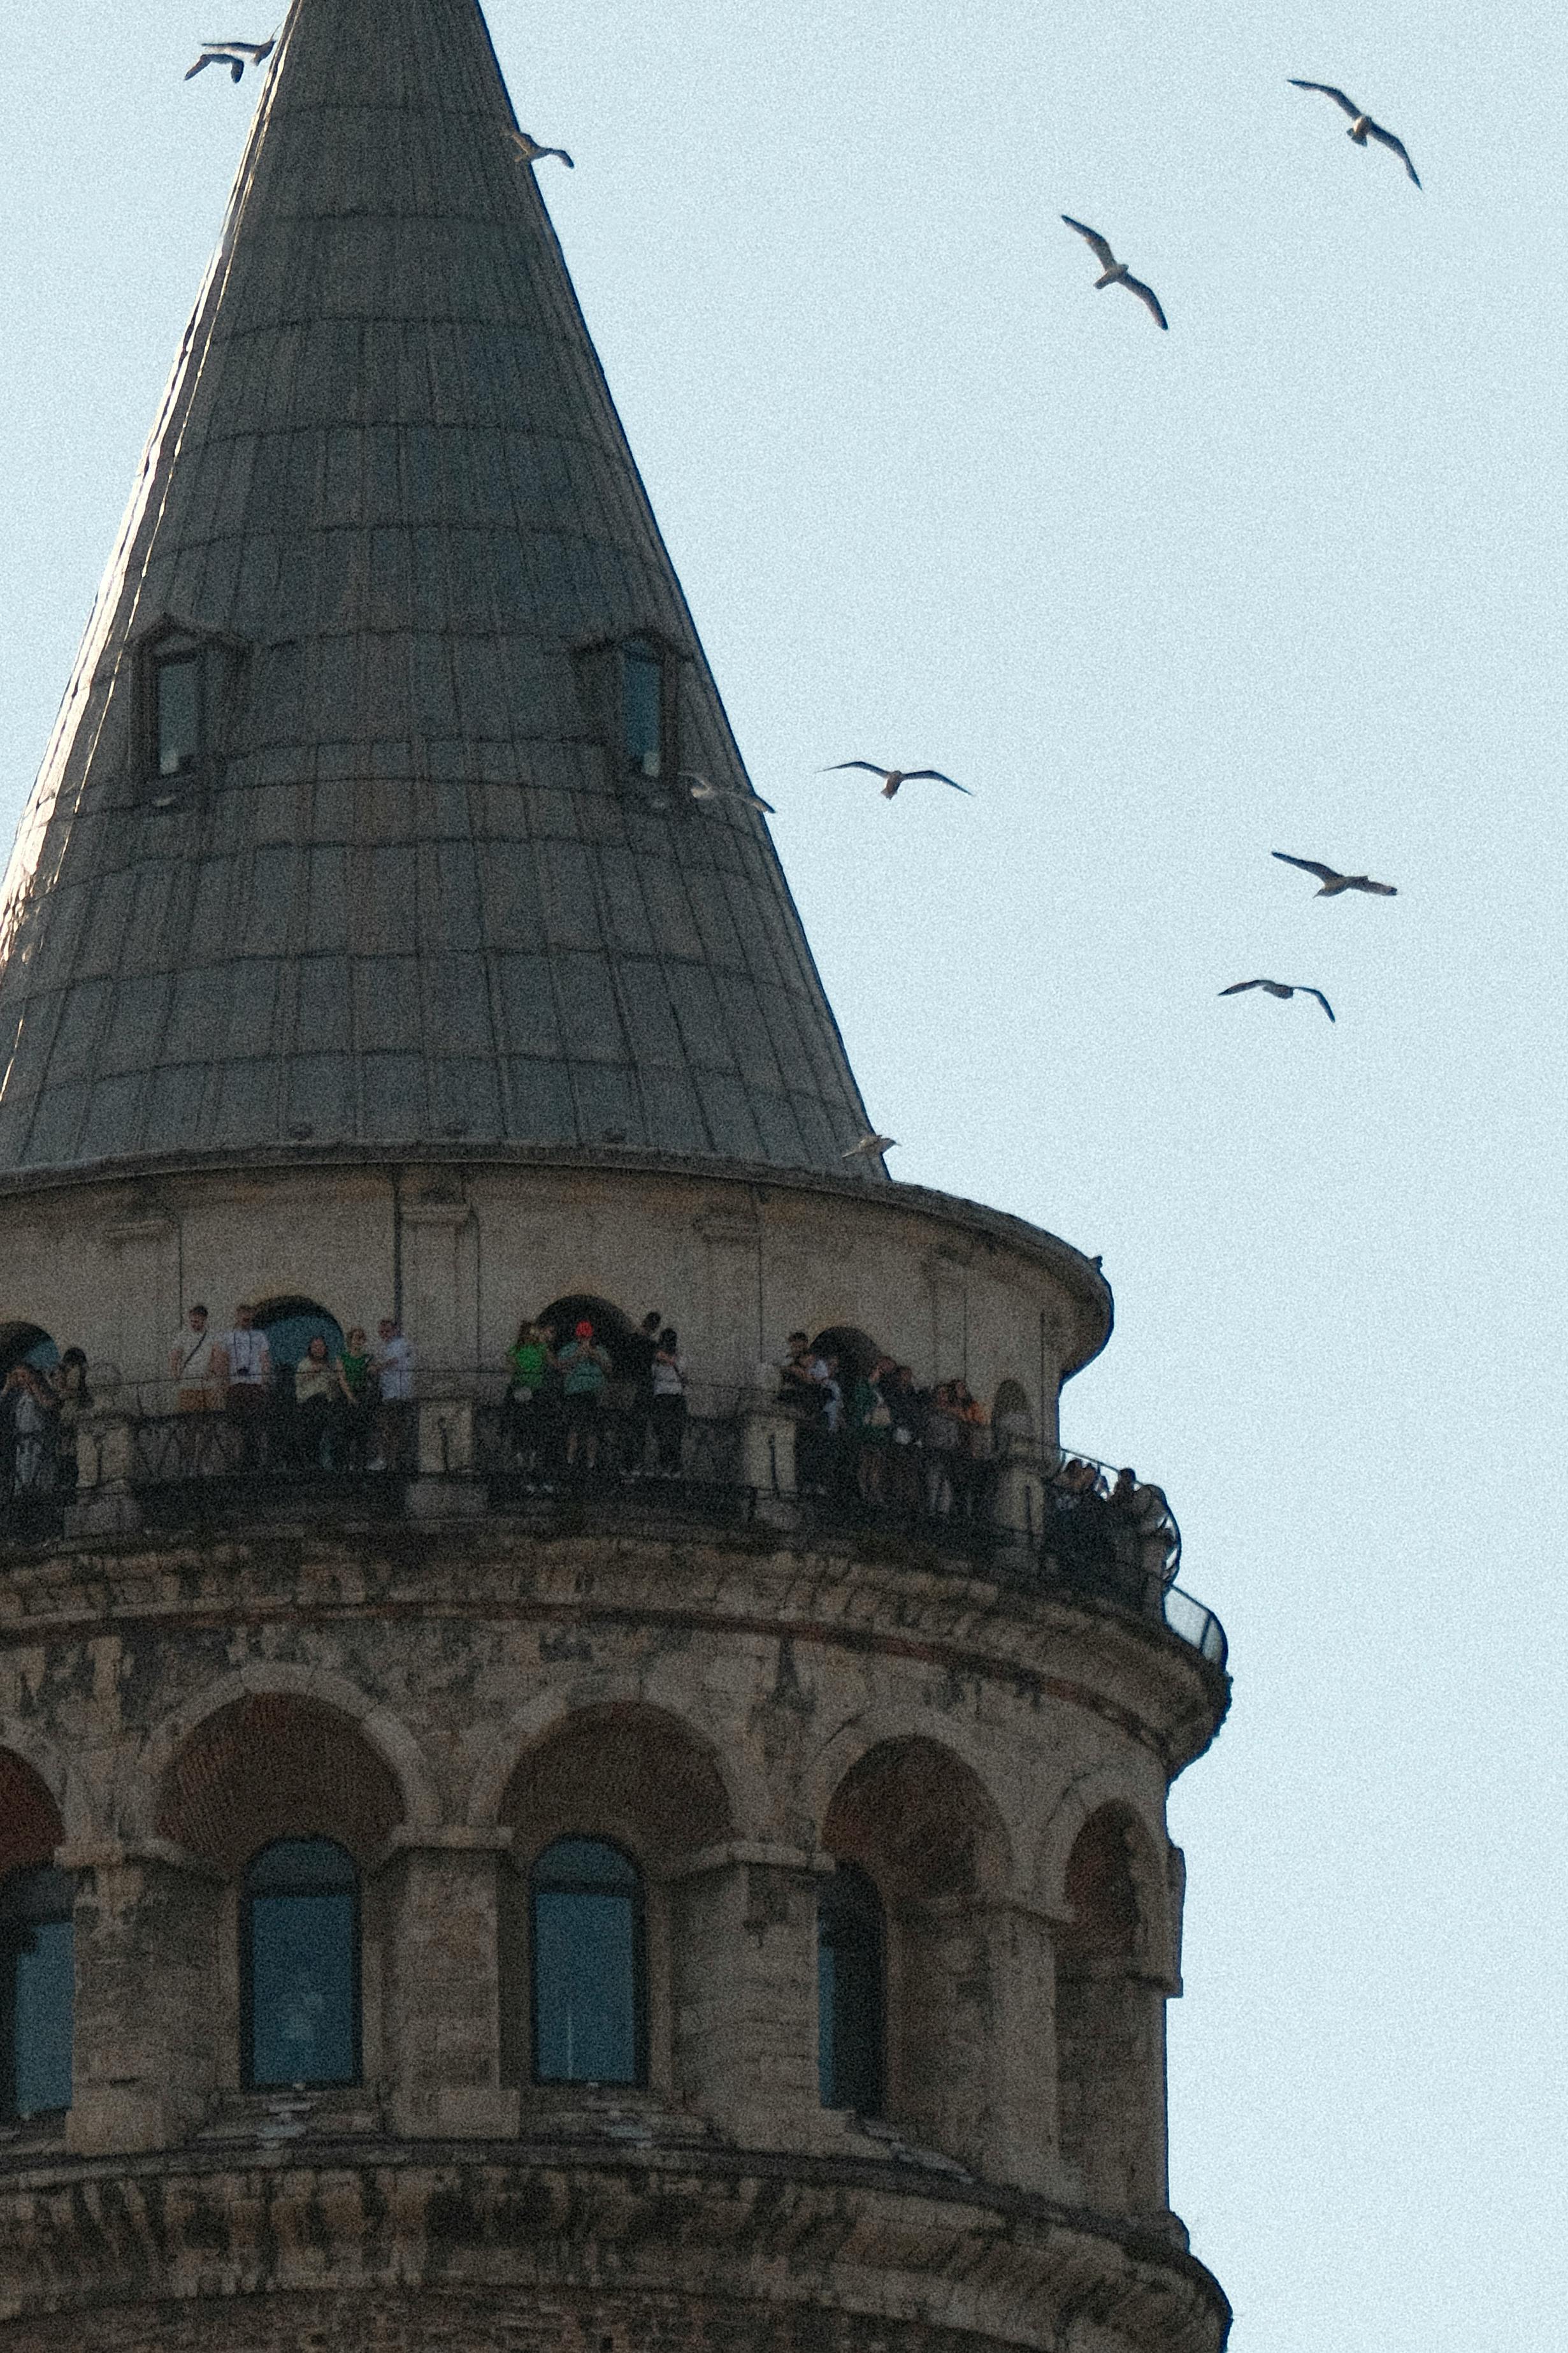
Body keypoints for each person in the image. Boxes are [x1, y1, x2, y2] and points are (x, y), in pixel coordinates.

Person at [217, 1303, 271, 1467]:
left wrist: (265, 1380)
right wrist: (224, 1384)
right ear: (238, 1316)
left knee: (257, 1423)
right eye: (243, 1315)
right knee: (236, 1424)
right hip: (235, 1385)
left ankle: (257, 1461)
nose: (246, 1319)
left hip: (254, 1384)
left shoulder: (259, 1336)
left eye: (249, 1316)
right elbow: (224, 1359)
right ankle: (234, 1461)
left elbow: (264, 1358)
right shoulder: (228, 1337)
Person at [610, 1310, 662, 1474]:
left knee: (627, 1426)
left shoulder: (630, 1340)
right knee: (638, 1428)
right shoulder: (651, 1346)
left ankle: (624, 1464)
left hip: (628, 1386)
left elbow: (619, 1362)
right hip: (642, 1388)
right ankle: (634, 1464)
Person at [556, 1318, 611, 1472]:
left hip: (594, 1394)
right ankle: (570, 1460)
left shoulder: (599, 1350)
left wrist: (595, 1356)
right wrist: (577, 1356)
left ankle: (591, 1463)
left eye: (587, 1337)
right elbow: (560, 1365)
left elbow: (609, 1369)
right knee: (574, 1427)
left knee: (592, 1429)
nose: (584, 1340)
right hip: (575, 1393)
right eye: (582, 1337)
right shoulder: (569, 1349)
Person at [505, 1320, 555, 1482]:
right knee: (520, 1425)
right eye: (530, 1333)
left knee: (535, 1425)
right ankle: (520, 1456)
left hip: (536, 1391)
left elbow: (552, 1361)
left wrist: (543, 1342)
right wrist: (522, 1372)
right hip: (520, 1390)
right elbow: (512, 1364)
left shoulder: (540, 1349)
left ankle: (533, 1456)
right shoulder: (516, 1349)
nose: (532, 1336)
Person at [3, 1364, 57, 1496]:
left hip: (38, 1439)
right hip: (22, 1442)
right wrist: (7, 1387)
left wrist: (35, 1389)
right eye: (18, 1376)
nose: (21, 1380)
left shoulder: (42, 1390)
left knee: (37, 1475)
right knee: (23, 1473)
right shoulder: (17, 1396)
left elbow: (48, 1407)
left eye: (23, 1375)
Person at [370, 1317, 414, 1473]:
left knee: (391, 1427)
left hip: (397, 1393)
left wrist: (377, 1368)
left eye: (387, 1331)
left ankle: (389, 1461)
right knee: (390, 1427)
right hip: (389, 1393)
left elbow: (392, 1361)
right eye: (381, 1332)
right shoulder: (386, 1346)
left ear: (394, 1331)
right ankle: (391, 1461)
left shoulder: (399, 1344)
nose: (384, 1334)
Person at [851, 1355, 895, 1506]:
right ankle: (864, 1491)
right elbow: (861, 1405)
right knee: (866, 1462)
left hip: (878, 1429)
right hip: (867, 1429)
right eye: (877, 1370)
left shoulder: (878, 1389)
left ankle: (874, 1491)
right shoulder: (862, 1386)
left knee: (876, 1463)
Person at [50, 1349, 92, 1491]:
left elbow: (73, 1390)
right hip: (70, 1413)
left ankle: (68, 1481)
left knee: (70, 1450)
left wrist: (61, 1391)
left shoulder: (77, 1370)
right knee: (67, 1450)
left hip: (73, 1412)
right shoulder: (78, 1370)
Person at [293, 1335, 337, 1469]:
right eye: (315, 1347)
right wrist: (312, 1371)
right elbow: (299, 1381)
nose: (319, 1349)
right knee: (310, 1435)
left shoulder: (329, 1365)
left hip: (326, 1404)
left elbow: (333, 1384)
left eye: (321, 1346)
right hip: (309, 1405)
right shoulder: (304, 1364)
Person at [886, 1365, 924, 1513]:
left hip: (911, 1433)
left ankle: (909, 1499)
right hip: (900, 1431)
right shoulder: (894, 1393)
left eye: (909, 1376)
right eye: (904, 1375)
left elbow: (915, 1413)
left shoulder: (912, 1394)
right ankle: (898, 1496)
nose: (907, 1378)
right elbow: (896, 1412)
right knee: (899, 1466)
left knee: (910, 1467)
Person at [168, 1304, 220, 1414]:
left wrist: (211, 1370)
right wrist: (174, 1372)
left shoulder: (212, 1336)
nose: (193, 1324)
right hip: (188, 1383)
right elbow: (175, 1356)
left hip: (207, 1383)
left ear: (204, 1320)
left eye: (196, 1322)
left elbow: (216, 1356)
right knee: (188, 1415)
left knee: (208, 1415)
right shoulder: (183, 1336)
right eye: (192, 1321)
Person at [649, 1327, 687, 1475]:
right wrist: (658, 1359)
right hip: (661, 1395)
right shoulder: (656, 1357)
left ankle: (675, 1466)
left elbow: (684, 1374)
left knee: (676, 1433)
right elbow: (653, 1373)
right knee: (661, 1432)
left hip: (676, 1396)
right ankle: (664, 1464)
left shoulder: (680, 1356)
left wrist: (672, 1361)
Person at [334, 1328, 374, 1472]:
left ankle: (360, 1463)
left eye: (361, 1338)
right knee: (346, 1431)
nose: (359, 1341)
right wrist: (350, 1396)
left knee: (362, 1431)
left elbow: (371, 1371)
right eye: (356, 1338)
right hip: (347, 1397)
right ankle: (344, 1463)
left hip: (363, 1395)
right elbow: (342, 1378)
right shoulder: (342, 1358)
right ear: (350, 1340)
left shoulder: (367, 1358)